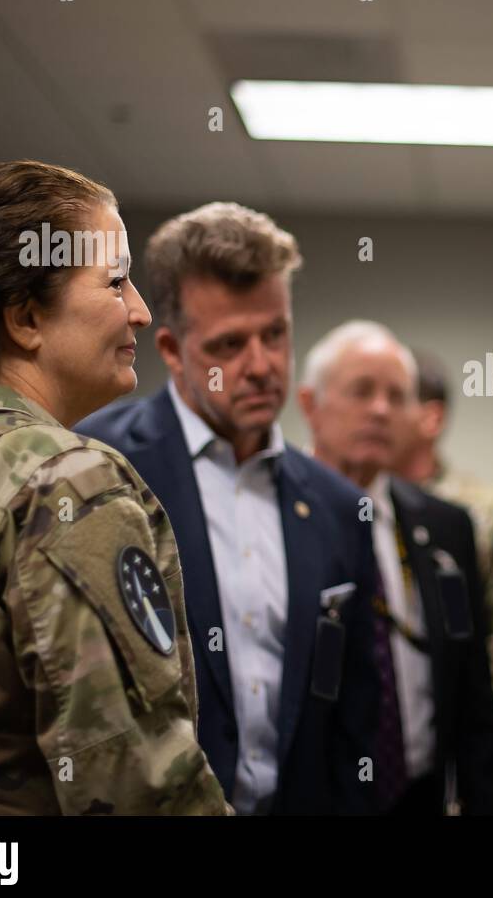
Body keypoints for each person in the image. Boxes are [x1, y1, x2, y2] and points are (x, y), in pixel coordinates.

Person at [0, 160, 229, 814]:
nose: (141, 312)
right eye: (115, 282)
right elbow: (136, 784)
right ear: (26, 318)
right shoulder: (63, 479)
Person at [76, 202, 380, 815]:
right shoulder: (99, 467)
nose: (261, 366)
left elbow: (357, 715)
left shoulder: (340, 507)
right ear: (171, 349)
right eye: (229, 345)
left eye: (275, 334)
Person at [299, 320, 493, 815]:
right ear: (310, 405)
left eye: (397, 396)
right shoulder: (279, 518)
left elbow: (472, 689)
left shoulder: (445, 527)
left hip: (419, 796)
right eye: (361, 391)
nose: (380, 409)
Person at [395, 347, 493, 790]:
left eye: (395, 397)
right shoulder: (353, 506)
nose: (376, 412)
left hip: (454, 751)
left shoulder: (487, 512)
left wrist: (479, 755)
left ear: (431, 418)